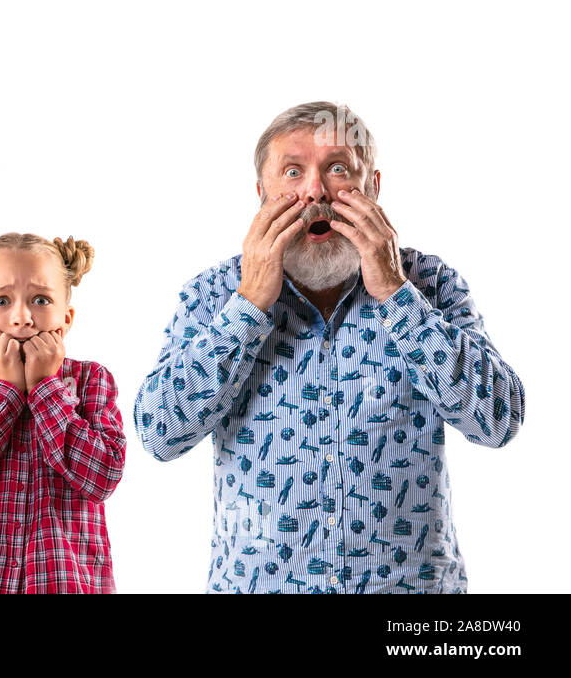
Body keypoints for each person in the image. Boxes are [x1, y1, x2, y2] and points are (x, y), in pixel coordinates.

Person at [134, 102, 525, 593]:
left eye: (337, 169)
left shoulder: (431, 283)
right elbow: (159, 433)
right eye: (292, 171)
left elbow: (498, 421)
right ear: (262, 196)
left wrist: (396, 294)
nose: (315, 190)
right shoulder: (213, 294)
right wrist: (249, 304)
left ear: (374, 188)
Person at [0, 233, 126, 593]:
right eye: (1, 301)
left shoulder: (92, 379)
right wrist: (5, 392)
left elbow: (103, 476)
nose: (21, 318)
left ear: (67, 317)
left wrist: (46, 386)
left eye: (41, 300)